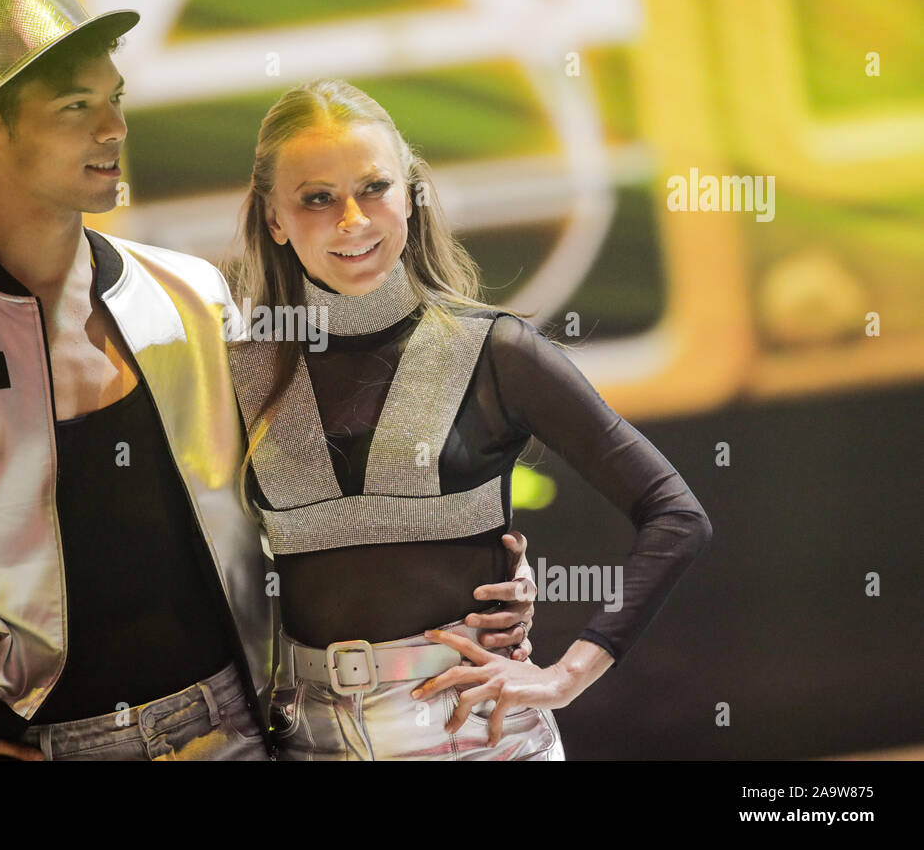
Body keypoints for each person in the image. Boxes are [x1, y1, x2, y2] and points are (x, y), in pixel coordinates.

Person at [0, 0, 534, 761]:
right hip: (34, 744)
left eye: (116, 99)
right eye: (77, 106)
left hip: (240, 726)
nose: (113, 127)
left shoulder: (191, 291)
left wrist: (474, 571)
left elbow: (305, 488)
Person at [223, 78, 714, 760]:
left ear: (411, 195)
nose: (353, 221)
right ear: (273, 217)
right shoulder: (240, 370)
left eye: (374, 188)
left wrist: (566, 677)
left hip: (475, 733)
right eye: (316, 198)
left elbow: (676, 514)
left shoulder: (493, 350)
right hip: (308, 736)